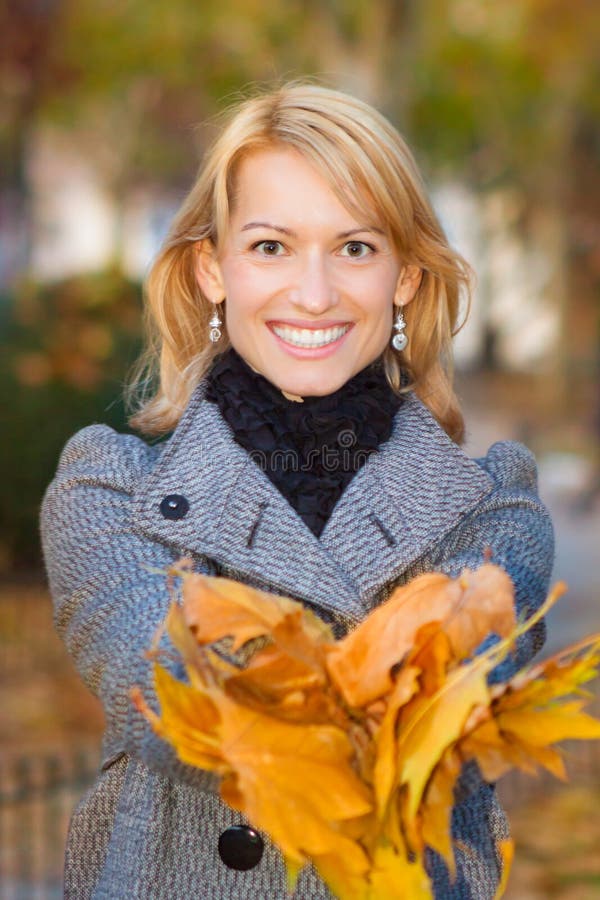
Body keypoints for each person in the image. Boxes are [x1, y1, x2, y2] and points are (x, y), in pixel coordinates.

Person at [40, 82, 554, 899]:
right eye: (271, 246)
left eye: (354, 248)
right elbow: (177, 706)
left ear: (407, 278)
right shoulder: (112, 489)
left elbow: (454, 691)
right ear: (212, 269)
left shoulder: (491, 506)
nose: (313, 293)